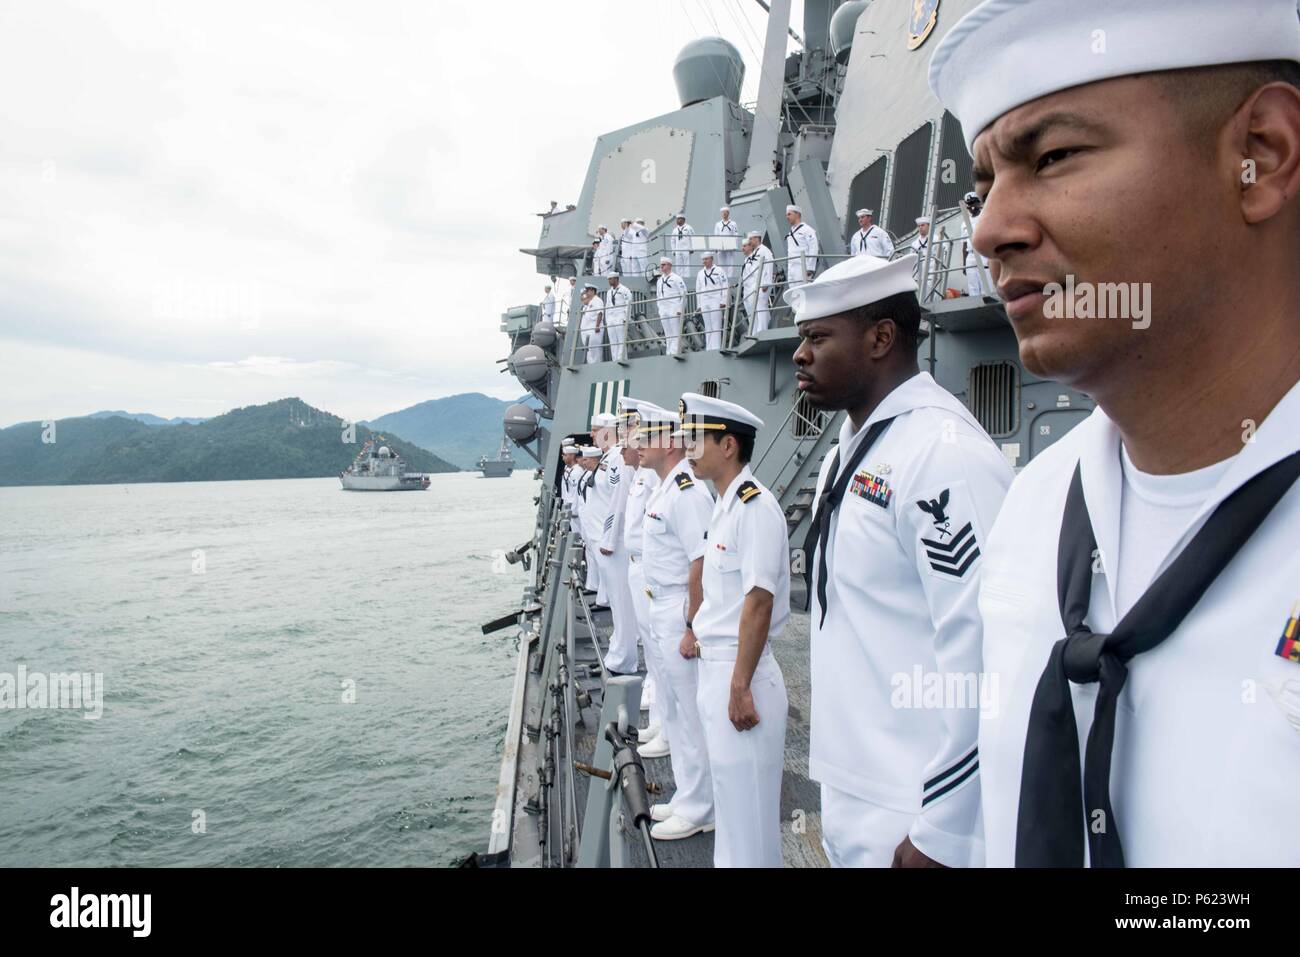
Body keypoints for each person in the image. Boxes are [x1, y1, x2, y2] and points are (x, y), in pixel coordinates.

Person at [928, 0, 1300, 867]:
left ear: (1263, 155)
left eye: (1053, 156)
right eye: (982, 190)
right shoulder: (1036, 509)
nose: (987, 230)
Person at [787, 253, 1013, 868]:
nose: (800, 355)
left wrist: (943, 833)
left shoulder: (943, 455)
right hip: (854, 784)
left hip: (915, 805)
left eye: (817, 338)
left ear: (882, 337)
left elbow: (988, 655)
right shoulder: (852, 448)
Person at [676, 392, 789, 867]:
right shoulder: (722, 505)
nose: (688, 449)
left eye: (697, 439)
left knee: (749, 813)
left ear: (728, 446)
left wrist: (740, 685)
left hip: (741, 677)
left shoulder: (754, 506)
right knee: (731, 803)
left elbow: (758, 602)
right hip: (717, 671)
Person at [635, 402, 717, 840]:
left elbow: (701, 560)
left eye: (645, 436)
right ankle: (691, 797)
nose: (637, 444)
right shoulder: (666, 485)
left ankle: (703, 808)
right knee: (681, 713)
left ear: (668, 442)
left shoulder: (685, 490)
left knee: (692, 714)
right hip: (661, 604)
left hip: (679, 608)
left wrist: (692, 626)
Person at [619, 402, 665, 748]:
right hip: (637, 566)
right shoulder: (640, 475)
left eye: (635, 436)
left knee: (662, 654)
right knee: (652, 650)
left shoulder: (654, 478)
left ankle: (668, 727)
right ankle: (663, 722)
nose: (629, 442)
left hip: (650, 570)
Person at [595, 404, 639, 677]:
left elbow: (617, 503)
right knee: (619, 601)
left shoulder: (619, 459)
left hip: (618, 541)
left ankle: (624, 656)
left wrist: (609, 540)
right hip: (612, 537)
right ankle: (620, 648)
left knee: (622, 602)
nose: (593, 436)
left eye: (596, 431)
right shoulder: (612, 458)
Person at [576, 445, 603, 598]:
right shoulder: (586, 474)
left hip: (594, 521)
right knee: (590, 552)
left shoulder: (597, 475)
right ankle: (593, 585)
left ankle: (599, 589)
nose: (583, 462)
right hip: (586, 518)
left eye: (586, 459)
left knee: (597, 555)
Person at [740, 233, 774, 335]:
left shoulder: (764, 250)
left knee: (761, 308)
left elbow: (768, 265)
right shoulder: (754, 254)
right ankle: (755, 332)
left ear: (757, 239)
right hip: (751, 288)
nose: (749, 241)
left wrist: (766, 283)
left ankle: (762, 331)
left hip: (761, 284)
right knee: (753, 311)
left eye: (751, 239)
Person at [695, 251, 729, 350]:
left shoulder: (719, 270)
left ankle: (716, 347)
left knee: (716, 325)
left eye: (706, 259)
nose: (704, 261)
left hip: (715, 299)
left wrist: (723, 301)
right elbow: (698, 289)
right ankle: (709, 347)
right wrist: (699, 305)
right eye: (703, 260)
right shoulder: (700, 273)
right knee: (708, 326)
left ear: (711, 259)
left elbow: (725, 285)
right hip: (705, 300)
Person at [655, 257, 689, 356]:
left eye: (664, 265)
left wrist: (680, 309)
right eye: (661, 265)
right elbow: (658, 296)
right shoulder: (660, 280)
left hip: (674, 308)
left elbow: (684, 294)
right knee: (667, 333)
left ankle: (675, 352)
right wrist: (660, 309)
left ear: (669, 265)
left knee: (675, 332)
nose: (661, 267)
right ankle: (669, 352)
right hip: (664, 309)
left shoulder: (676, 278)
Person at [959, 192, 989, 297]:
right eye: (969, 204)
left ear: (978, 203)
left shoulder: (985, 217)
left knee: (986, 288)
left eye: (973, 203)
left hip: (984, 254)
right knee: (973, 288)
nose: (971, 206)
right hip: (970, 256)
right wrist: (964, 264)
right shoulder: (964, 223)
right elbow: (964, 245)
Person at [785, 204, 819, 286]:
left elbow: (813, 248)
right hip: (792, 268)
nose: (787, 217)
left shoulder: (807, 230)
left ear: (798, 214)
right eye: (786, 215)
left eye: (789, 214)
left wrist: (810, 268)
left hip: (803, 267)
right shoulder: (791, 232)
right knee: (794, 295)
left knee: (804, 293)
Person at [605, 273, 633, 361]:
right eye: (608, 279)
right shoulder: (609, 292)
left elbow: (628, 304)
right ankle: (615, 359)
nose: (609, 281)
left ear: (616, 279)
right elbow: (607, 306)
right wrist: (607, 320)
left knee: (621, 340)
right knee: (613, 342)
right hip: (611, 319)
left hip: (620, 316)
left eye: (611, 279)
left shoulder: (624, 290)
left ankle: (621, 358)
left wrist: (626, 318)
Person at [578, 283, 605, 364]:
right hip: (588, 331)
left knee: (595, 350)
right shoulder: (590, 302)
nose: (586, 293)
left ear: (592, 291)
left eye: (588, 291)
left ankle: (596, 367)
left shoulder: (597, 300)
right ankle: (591, 367)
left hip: (594, 330)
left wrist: (597, 326)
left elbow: (600, 313)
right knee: (590, 351)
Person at [714, 205, 741, 280]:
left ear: (728, 213)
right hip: (721, 244)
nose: (724, 214)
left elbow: (735, 234)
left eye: (725, 212)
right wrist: (716, 246)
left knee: (730, 262)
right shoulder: (718, 224)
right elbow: (716, 235)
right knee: (721, 262)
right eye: (722, 213)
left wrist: (735, 245)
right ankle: (722, 277)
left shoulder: (733, 224)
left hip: (730, 243)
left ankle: (730, 277)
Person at [669, 213, 695, 279]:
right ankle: (679, 278)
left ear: (683, 220)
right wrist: (673, 250)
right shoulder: (675, 230)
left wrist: (692, 248)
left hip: (686, 249)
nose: (677, 221)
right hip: (678, 250)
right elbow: (672, 240)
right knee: (678, 265)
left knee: (686, 265)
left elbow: (693, 237)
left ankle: (687, 278)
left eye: (679, 219)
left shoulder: (689, 228)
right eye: (677, 219)